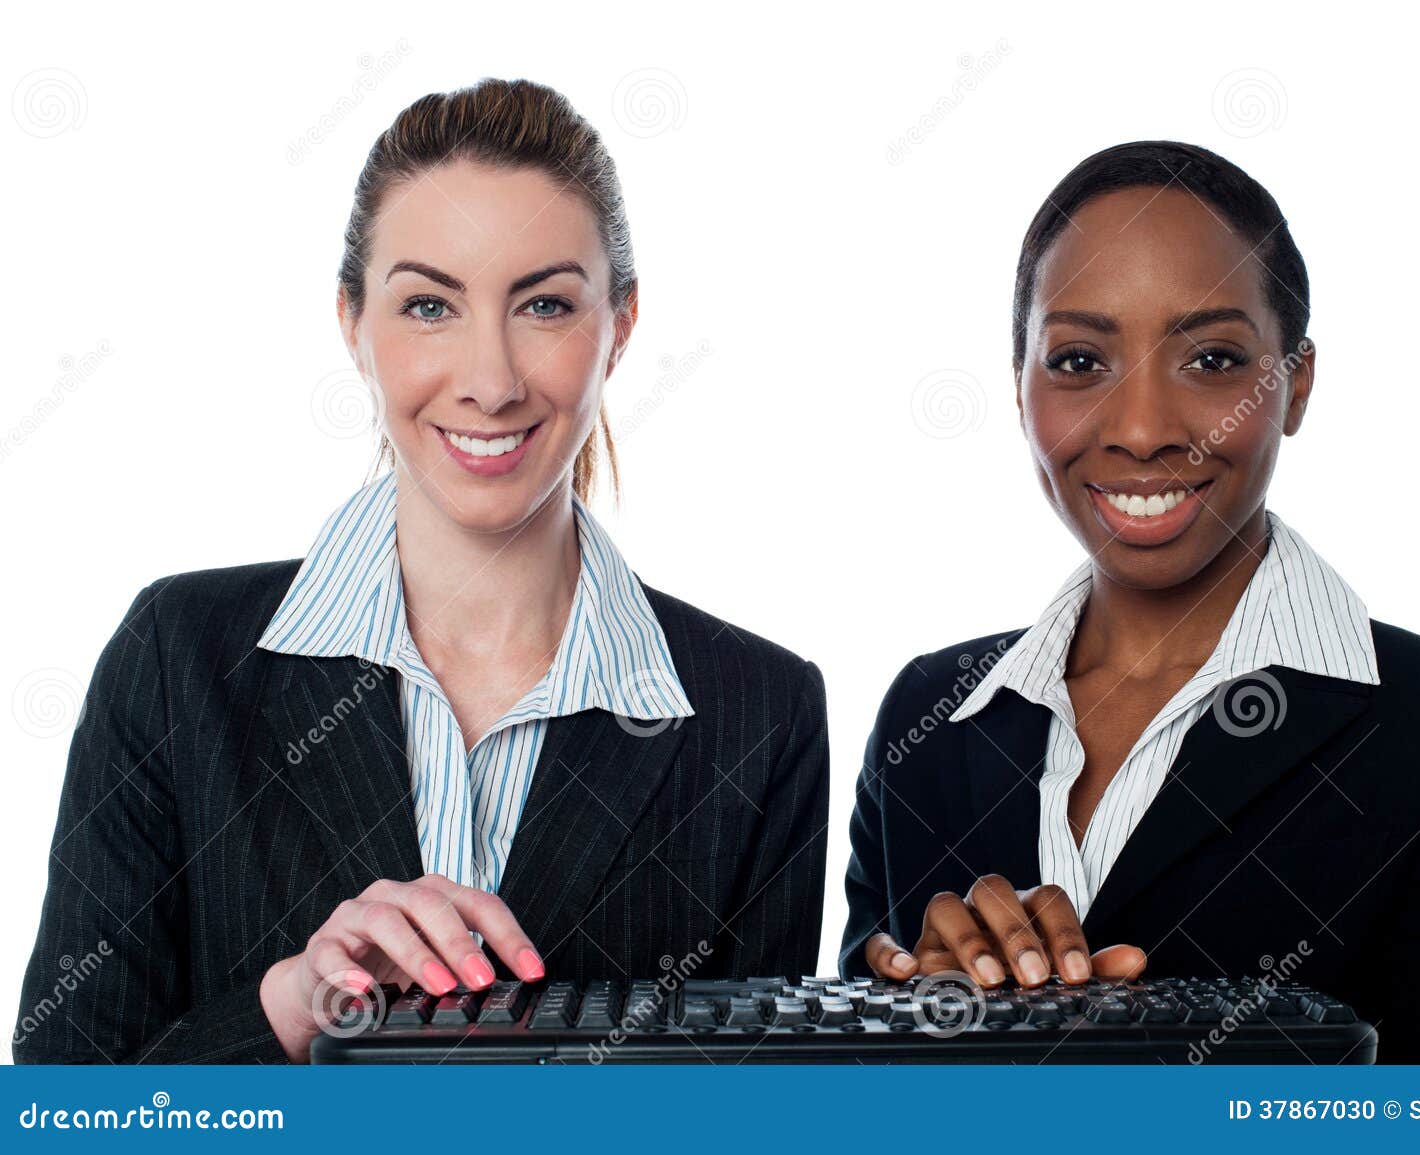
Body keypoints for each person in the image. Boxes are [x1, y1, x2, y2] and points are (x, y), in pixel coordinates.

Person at [15, 78, 828, 1064]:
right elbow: (70, 1118)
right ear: (352, 322)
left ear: (619, 325)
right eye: (430, 304)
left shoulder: (758, 716)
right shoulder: (180, 661)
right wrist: (289, 1004)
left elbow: (745, 1126)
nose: (490, 381)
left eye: (544, 303)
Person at [840, 141, 1420, 1063]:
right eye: (1077, 361)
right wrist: (935, 1021)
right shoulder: (930, 718)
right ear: (1019, 388)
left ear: (1295, 382)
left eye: (1213, 357)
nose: (1142, 429)